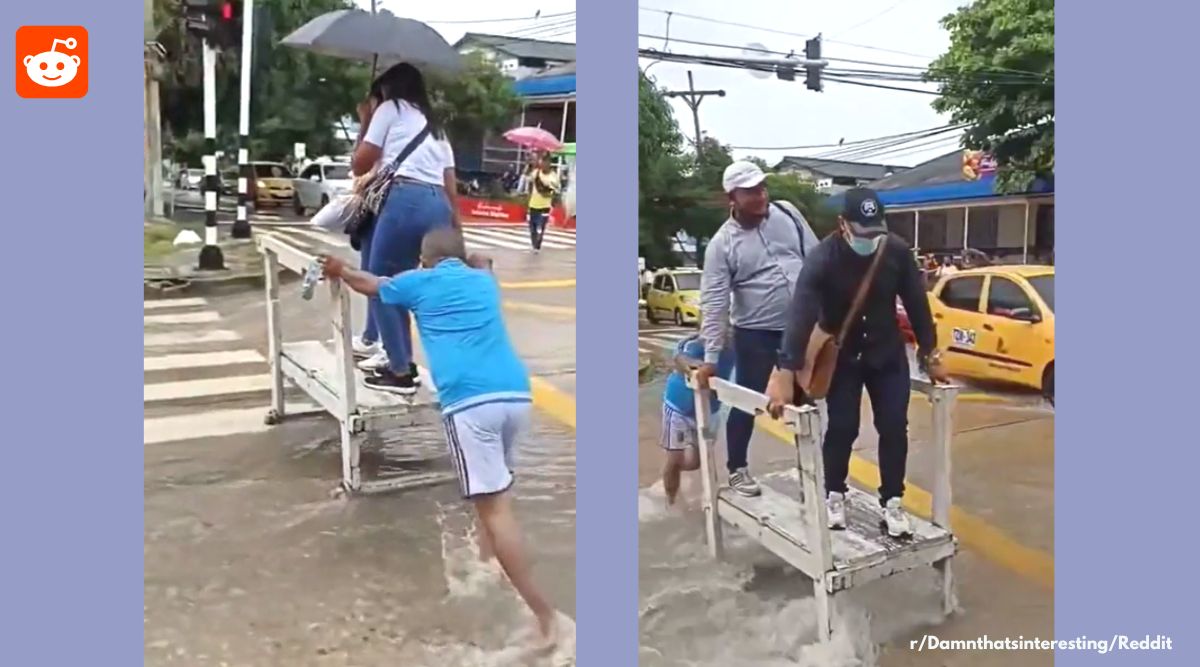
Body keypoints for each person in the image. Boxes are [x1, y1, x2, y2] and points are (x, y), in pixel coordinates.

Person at [318, 228, 559, 650]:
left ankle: (545, 616)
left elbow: (369, 284)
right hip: (516, 395)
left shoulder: (418, 282)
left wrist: (339, 268)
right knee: (496, 489)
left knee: (497, 507)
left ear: (424, 259)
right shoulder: (482, 281)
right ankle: (488, 563)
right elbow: (484, 262)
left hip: (469, 402)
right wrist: (478, 259)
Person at [765, 188, 945, 538]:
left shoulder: (895, 252)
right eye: (861, 233)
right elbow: (800, 315)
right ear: (842, 225)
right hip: (842, 355)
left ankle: (892, 500)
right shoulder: (823, 258)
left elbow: (917, 305)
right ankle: (835, 493)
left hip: (886, 353)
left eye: (875, 232)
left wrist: (930, 354)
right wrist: (786, 371)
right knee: (843, 427)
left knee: (894, 426)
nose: (869, 240)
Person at [696, 160, 819, 497]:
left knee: (805, 402)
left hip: (803, 328)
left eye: (762, 188)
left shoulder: (788, 213)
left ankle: (811, 472)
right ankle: (737, 468)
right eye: (750, 192)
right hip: (756, 334)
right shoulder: (722, 246)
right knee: (748, 399)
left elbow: (816, 257)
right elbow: (715, 302)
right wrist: (710, 356)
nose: (761, 196)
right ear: (731, 198)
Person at [349, 63, 460, 394]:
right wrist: (459, 236)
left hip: (406, 199)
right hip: (437, 205)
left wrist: (367, 119)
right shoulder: (436, 127)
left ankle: (399, 370)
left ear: (389, 90)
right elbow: (451, 187)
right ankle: (428, 364)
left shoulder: (390, 109)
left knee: (381, 282)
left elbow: (359, 164)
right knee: (424, 289)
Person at [659, 316, 735, 505]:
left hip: (710, 411)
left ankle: (673, 475)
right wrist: (691, 366)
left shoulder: (734, 347)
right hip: (678, 408)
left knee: (699, 462)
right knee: (674, 458)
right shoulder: (692, 344)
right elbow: (679, 357)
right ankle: (671, 500)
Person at [526, 155, 560, 252]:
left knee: (541, 226)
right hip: (533, 204)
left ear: (549, 164)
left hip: (545, 205)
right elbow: (528, 179)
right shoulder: (536, 173)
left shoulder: (553, 176)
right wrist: (529, 166)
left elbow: (553, 188)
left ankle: (537, 245)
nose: (544, 165)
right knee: (532, 226)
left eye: (546, 162)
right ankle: (534, 244)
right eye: (542, 162)